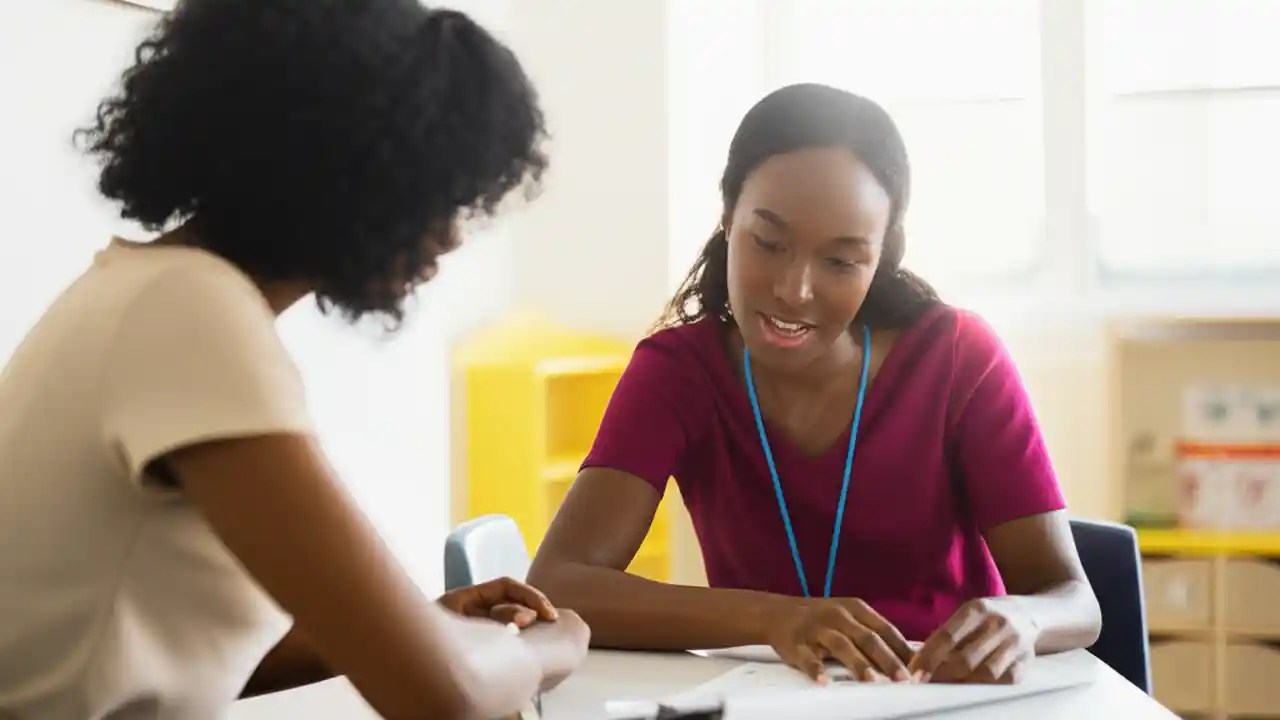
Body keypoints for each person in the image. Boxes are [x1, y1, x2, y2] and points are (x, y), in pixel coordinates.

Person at [0, 1, 588, 718]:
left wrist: (424, 628)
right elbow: (445, 696)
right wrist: (553, 648)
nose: (452, 236)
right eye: (438, 196)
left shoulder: (142, 291)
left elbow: (167, 654)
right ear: (346, 171)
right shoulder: (187, 312)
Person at [528, 83, 1100, 686]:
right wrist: (773, 618)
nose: (794, 290)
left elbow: (1073, 599)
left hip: (942, 700)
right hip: (774, 697)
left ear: (884, 255)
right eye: (768, 243)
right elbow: (560, 583)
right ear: (727, 215)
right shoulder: (678, 372)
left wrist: (1023, 619)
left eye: (841, 261)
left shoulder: (959, 357)